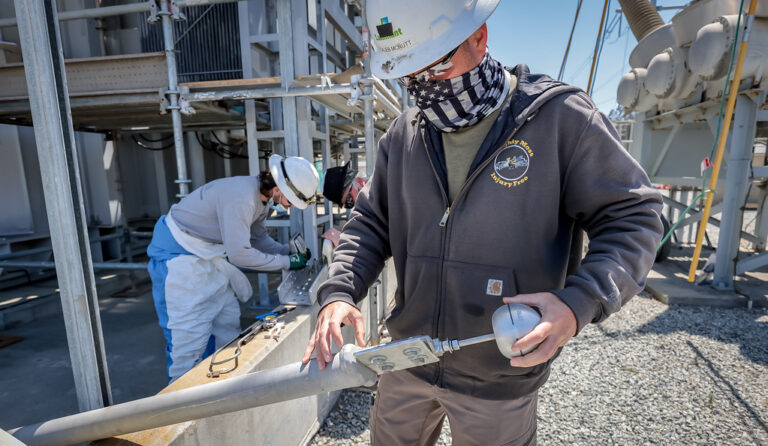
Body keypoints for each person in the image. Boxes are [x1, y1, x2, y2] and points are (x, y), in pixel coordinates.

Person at [302, 1, 664, 445]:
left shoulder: (559, 120)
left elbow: (633, 217)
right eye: (410, 75)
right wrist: (340, 291)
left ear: (479, 37)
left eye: (437, 66)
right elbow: (371, 223)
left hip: (499, 375)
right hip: (406, 361)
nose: (425, 86)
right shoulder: (404, 135)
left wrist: (579, 302)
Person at [148, 154, 319, 381]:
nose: (291, 207)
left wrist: (286, 251)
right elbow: (240, 255)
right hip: (178, 260)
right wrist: (287, 262)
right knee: (187, 340)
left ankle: (219, 384)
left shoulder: (261, 200)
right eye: (291, 201)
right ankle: (181, 396)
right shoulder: (243, 199)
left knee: (226, 321)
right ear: (278, 188)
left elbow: (258, 239)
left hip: (206, 256)